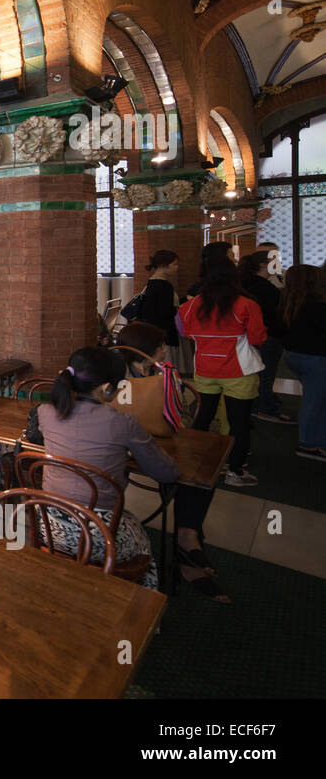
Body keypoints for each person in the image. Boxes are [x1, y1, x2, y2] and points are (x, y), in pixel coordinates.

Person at [35, 346, 179, 591]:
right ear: (105, 388)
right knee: (144, 544)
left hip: (48, 525)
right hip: (99, 536)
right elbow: (166, 472)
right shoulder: (121, 422)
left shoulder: (45, 412)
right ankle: (135, 611)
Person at [114, 321, 229, 599]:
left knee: (202, 475)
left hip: (156, 442)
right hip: (128, 447)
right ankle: (188, 548)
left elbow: (181, 419)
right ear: (146, 351)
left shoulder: (164, 373)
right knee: (189, 474)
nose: (166, 349)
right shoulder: (115, 375)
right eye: (161, 346)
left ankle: (187, 538)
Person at [178, 257, 264, 487]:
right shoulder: (246, 304)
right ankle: (235, 470)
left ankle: (197, 464)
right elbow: (258, 338)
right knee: (239, 422)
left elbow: (186, 333)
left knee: (203, 416)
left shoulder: (189, 306)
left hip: (205, 369)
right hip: (239, 371)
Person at [238, 251, 293, 423]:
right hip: (266, 336)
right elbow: (273, 316)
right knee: (265, 374)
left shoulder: (245, 285)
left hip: (250, 336)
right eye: (273, 261)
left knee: (257, 374)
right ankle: (265, 407)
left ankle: (257, 405)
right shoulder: (264, 288)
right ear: (262, 264)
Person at [281, 264, 326, 462]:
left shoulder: (288, 302)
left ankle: (314, 439)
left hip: (294, 356)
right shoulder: (316, 305)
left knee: (314, 399)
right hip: (314, 358)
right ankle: (309, 443)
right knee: (314, 402)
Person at [136, 249, 181, 362]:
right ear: (163, 265)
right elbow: (165, 312)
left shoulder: (151, 283)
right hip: (163, 332)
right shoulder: (164, 286)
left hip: (154, 331)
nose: (177, 267)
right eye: (174, 264)